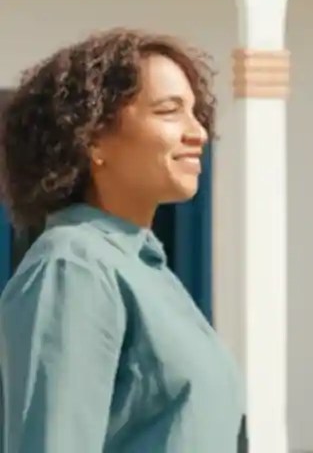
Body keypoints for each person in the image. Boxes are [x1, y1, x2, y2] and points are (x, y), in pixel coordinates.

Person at [0, 29, 245, 452]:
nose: (199, 132)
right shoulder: (73, 266)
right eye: (169, 111)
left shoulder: (145, 269)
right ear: (92, 138)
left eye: (196, 112)